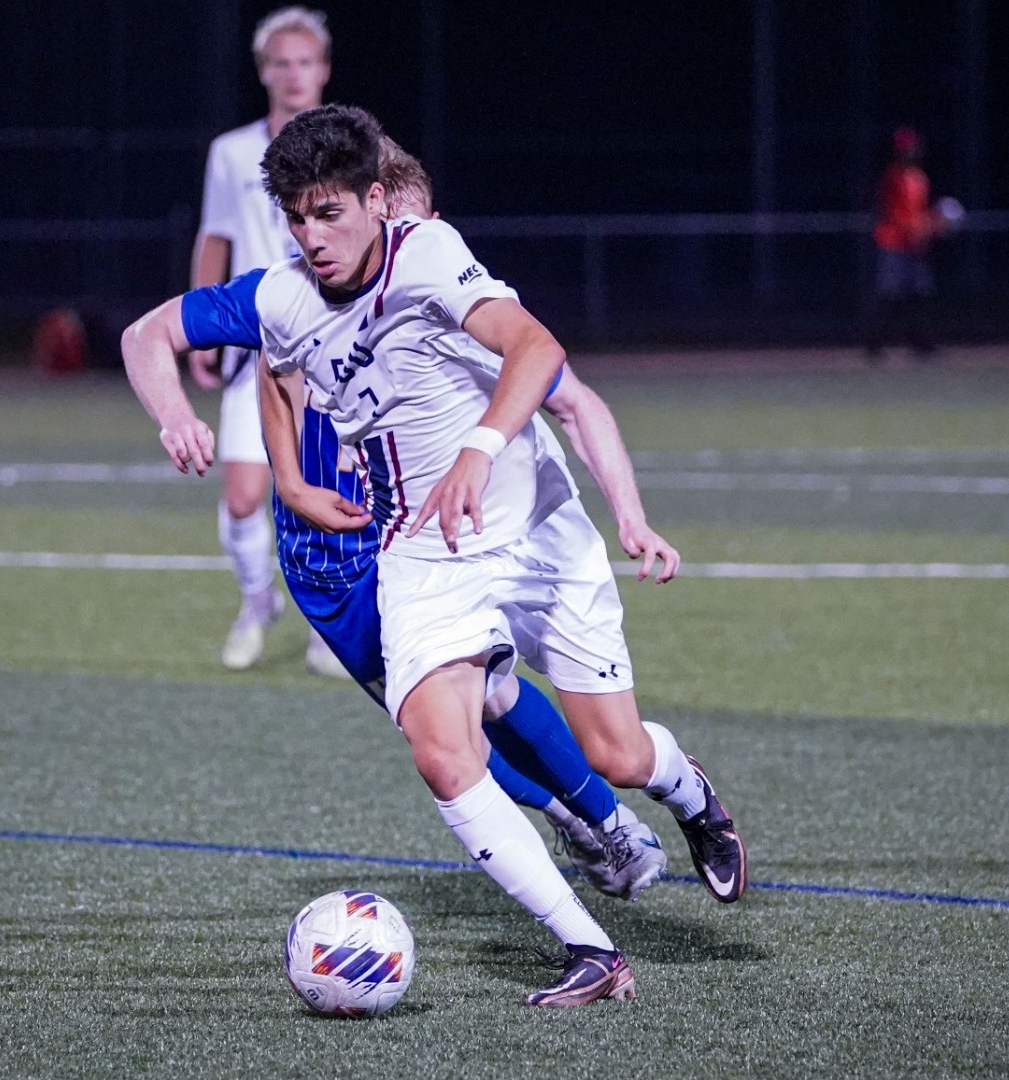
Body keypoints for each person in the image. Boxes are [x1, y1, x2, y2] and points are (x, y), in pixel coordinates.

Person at [123, 105, 747, 1008]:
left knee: (616, 751)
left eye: (329, 213)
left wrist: (489, 453)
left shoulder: (429, 256)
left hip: (533, 530)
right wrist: (175, 413)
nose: (312, 235)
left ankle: (689, 799)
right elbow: (151, 337)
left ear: (378, 202)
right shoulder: (281, 296)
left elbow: (539, 350)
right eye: (296, 218)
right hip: (424, 547)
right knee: (442, 750)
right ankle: (592, 950)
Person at [190, 6, 339, 674]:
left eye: (306, 61)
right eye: (281, 61)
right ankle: (257, 601)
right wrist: (199, 331)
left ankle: (328, 625)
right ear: (263, 72)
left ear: (324, 69)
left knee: (329, 489)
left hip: (336, 345)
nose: (294, 74)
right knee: (246, 494)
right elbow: (214, 236)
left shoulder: (351, 145)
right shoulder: (231, 152)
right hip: (257, 346)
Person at [864, 126, 953, 361]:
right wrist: (914, 230)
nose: (911, 152)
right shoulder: (891, 177)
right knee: (889, 295)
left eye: (912, 148)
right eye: (906, 148)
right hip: (894, 243)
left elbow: (920, 212)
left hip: (915, 245)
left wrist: (934, 225)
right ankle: (873, 346)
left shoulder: (920, 178)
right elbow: (888, 211)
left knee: (919, 295)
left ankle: (920, 345)